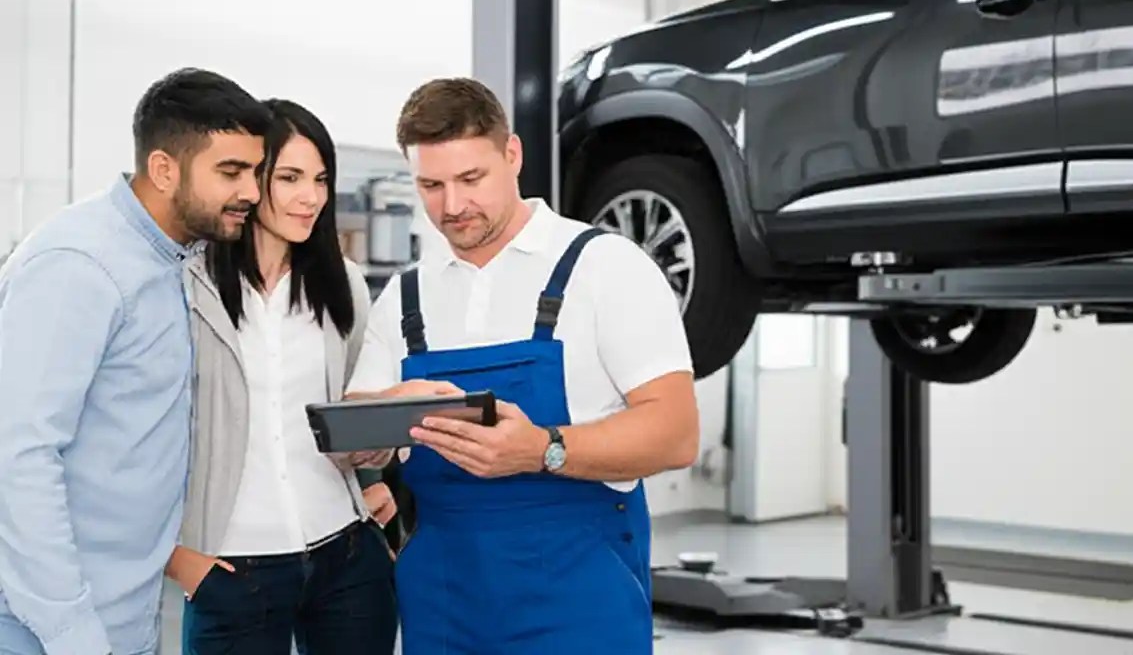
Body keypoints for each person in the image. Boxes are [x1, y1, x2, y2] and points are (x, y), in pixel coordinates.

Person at [345, 77, 701, 653]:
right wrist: (370, 432)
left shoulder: (604, 267)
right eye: (430, 185)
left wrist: (541, 448)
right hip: (441, 599)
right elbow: (356, 422)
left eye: (470, 179)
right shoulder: (407, 295)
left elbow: (676, 432)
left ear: (512, 156)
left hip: (577, 598)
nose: (452, 206)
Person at [0, 68, 271, 655]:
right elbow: (19, 455)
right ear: (164, 169)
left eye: (255, 169)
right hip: (50, 630)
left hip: (125, 616)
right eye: (231, 171)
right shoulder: (82, 264)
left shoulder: (171, 258)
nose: (252, 190)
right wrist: (71, 632)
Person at [172, 99, 399, 655]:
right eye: (291, 177)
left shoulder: (340, 284)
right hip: (230, 567)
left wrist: (374, 472)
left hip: (346, 556)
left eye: (321, 178)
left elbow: (351, 406)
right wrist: (180, 559)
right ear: (251, 180)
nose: (312, 197)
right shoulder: (187, 283)